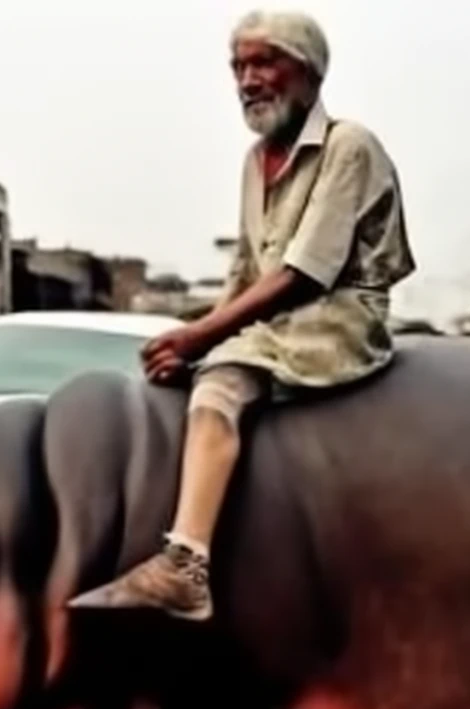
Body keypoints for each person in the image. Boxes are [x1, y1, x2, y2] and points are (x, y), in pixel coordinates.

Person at [69, 9, 416, 622]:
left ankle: (185, 566)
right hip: (281, 315)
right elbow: (245, 272)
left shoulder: (349, 145)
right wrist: (191, 338)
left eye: (264, 63)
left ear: (308, 71)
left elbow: (305, 271)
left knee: (221, 383)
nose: (248, 80)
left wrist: (204, 337)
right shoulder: (257, 159)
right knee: (185, 370)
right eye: (238, 67)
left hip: (337, 314)